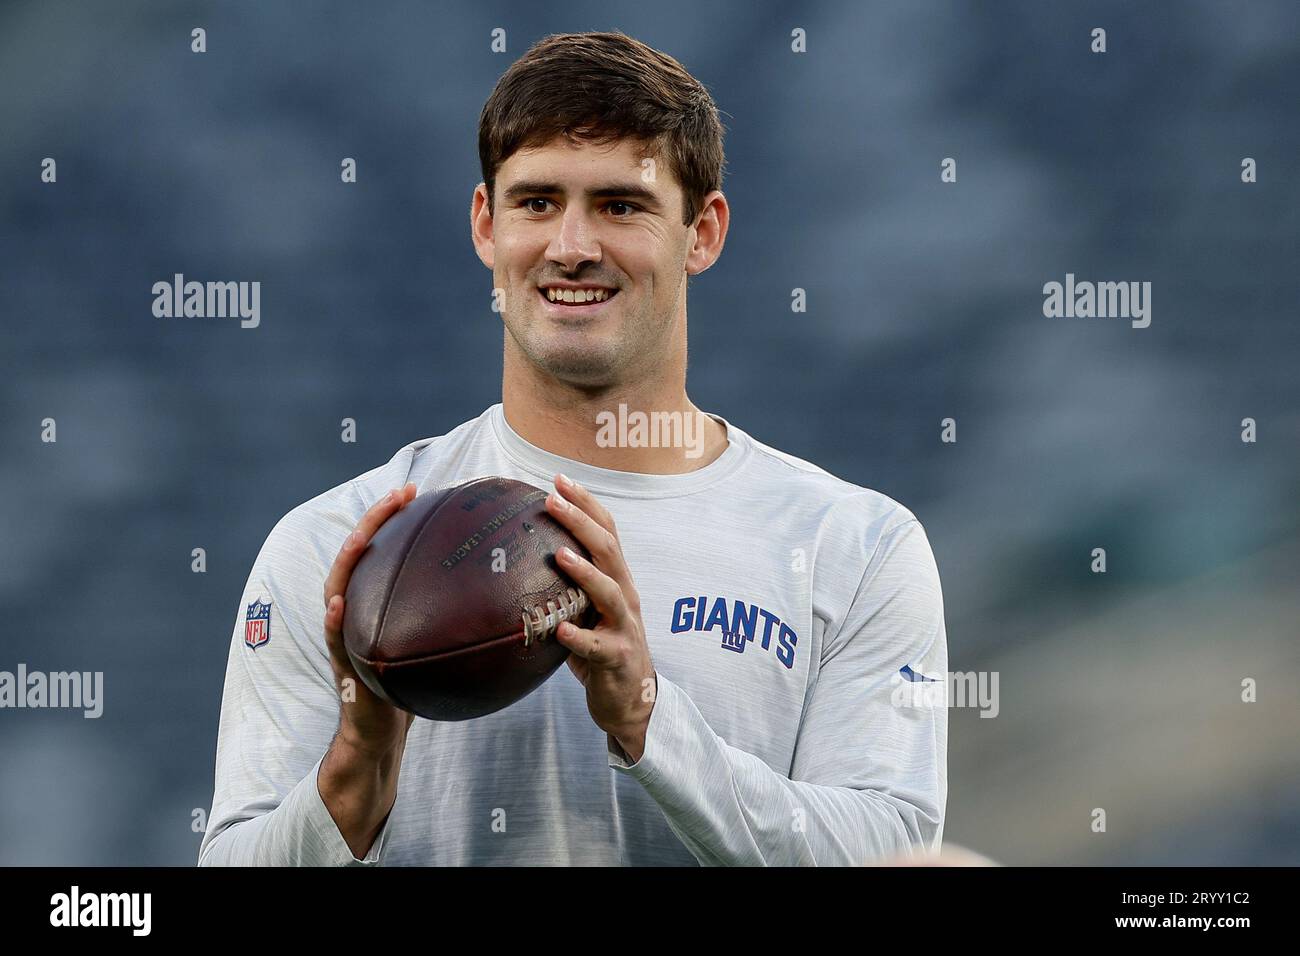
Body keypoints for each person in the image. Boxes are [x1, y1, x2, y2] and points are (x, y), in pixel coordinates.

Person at [199, 30, 948, 866]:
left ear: (702, 232)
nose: (572, 247)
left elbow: (894, 855)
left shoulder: (856, 548)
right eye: (537, 202)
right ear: (486, 225)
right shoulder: (341, 547)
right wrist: (356, 766)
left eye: (621, 206)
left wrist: (648, 718)